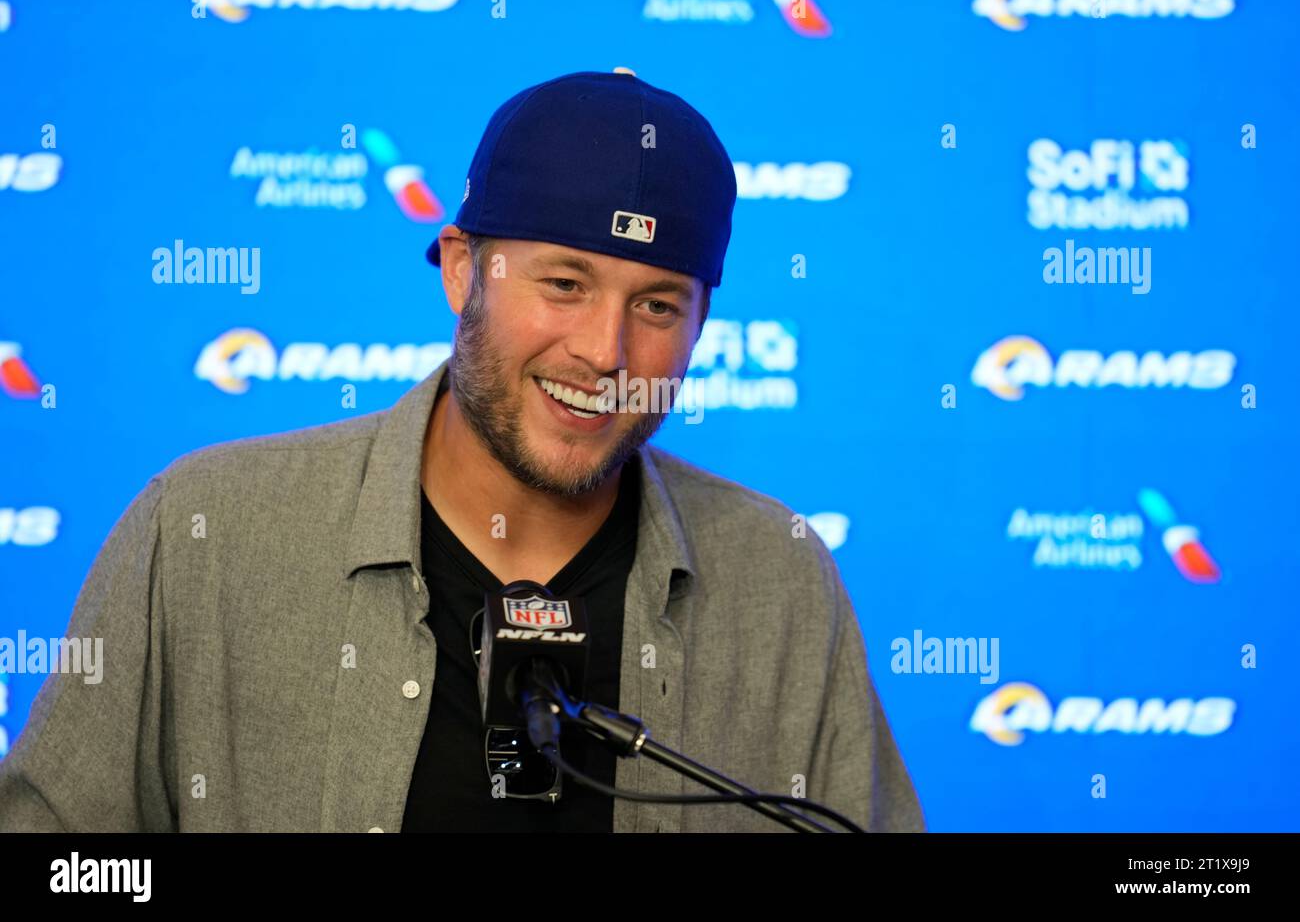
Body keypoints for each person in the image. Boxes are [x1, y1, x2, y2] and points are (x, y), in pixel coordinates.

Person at [0, 70, 924, 832]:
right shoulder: (206, 530)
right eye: (565, 283)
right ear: (458, 268)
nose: (605, 353)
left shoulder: (780, 579)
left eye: (656, 305)